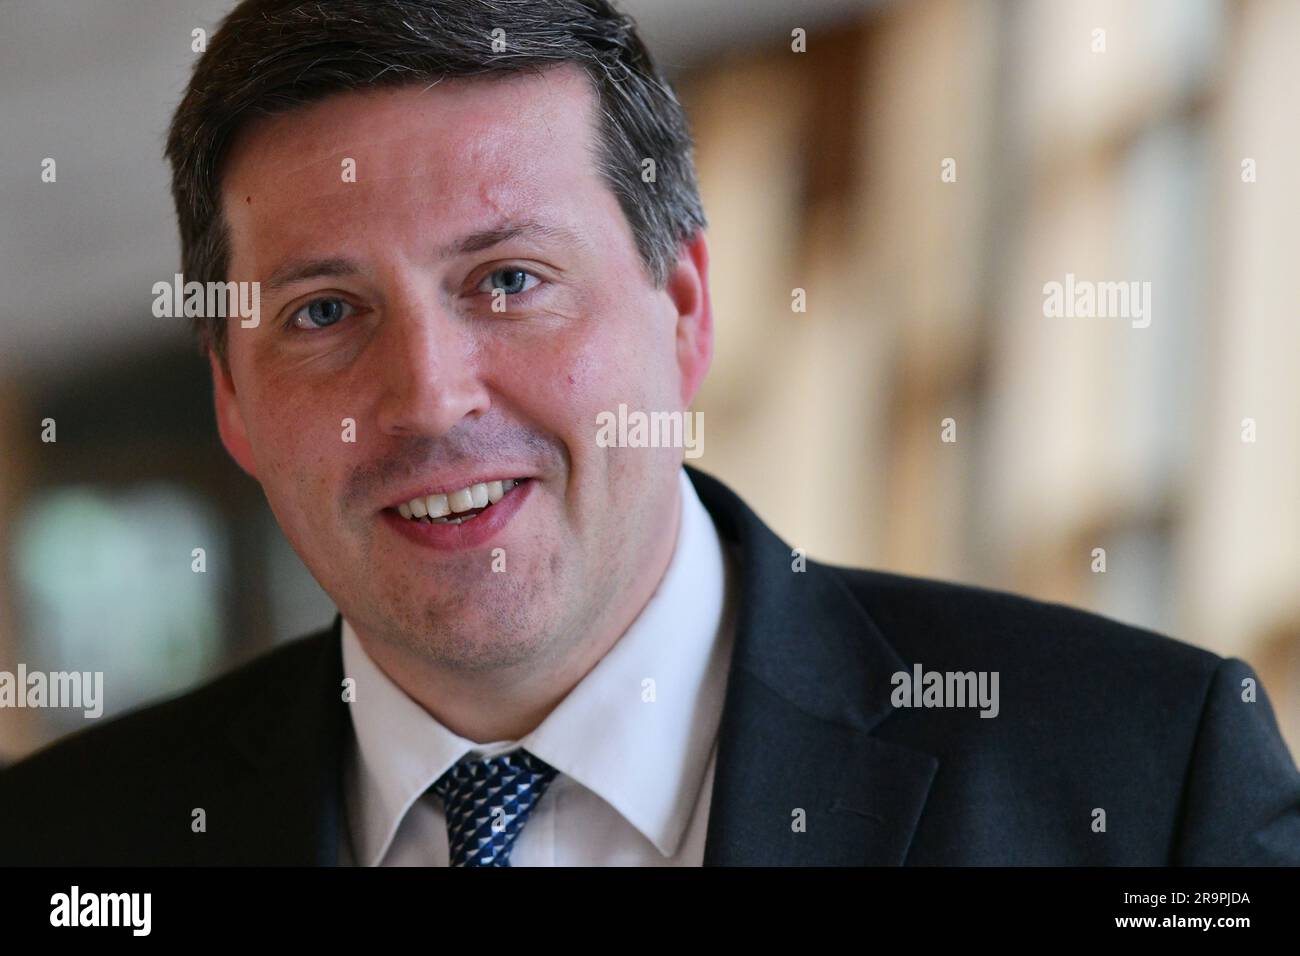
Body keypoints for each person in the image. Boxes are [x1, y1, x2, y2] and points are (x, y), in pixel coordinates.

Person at [1, 0, 1297, 866]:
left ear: (683, 309)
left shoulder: (1141, 785)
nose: (430, 400)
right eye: (324, 310)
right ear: (230, 392)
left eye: (509, 280)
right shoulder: (66, 847)